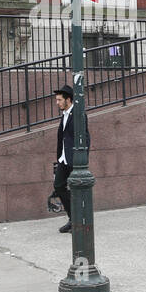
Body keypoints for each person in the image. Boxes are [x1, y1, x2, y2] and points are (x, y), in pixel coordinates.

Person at [51, 84, 86, 234]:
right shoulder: (64, 115)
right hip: (64, 159)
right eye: (57, 100)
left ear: (68, 100)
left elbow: (85, 138)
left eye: (59, 100)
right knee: (59, 186)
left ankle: (79, 221)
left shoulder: (78, 115)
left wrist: (82, 160)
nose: (57, 103)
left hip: (75, 160)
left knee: (77, 190)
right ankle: (73, 218)